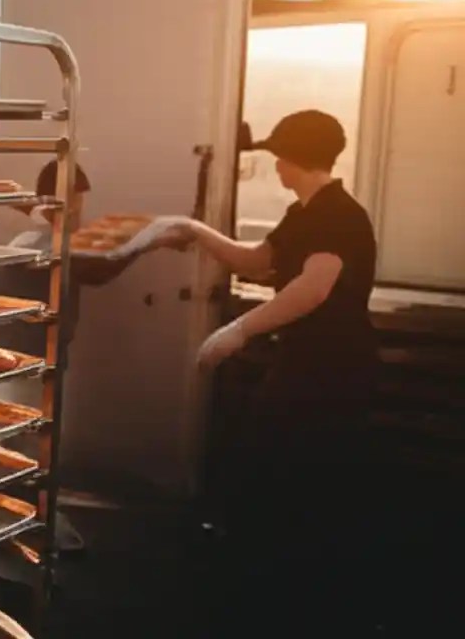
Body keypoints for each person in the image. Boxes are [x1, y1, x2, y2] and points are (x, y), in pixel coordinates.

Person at [158, 109, 379, 629]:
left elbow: (314, 287)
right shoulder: (305, 212)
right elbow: (256, 261)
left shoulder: (339, 214)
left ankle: (295, 601)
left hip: (335, 369)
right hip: (303, 361)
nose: (275, 165)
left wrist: (241, 329)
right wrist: (194, 231)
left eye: (279, 156)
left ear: (291, 159)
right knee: (273, 465)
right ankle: (273, 581)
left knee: (305, 476)